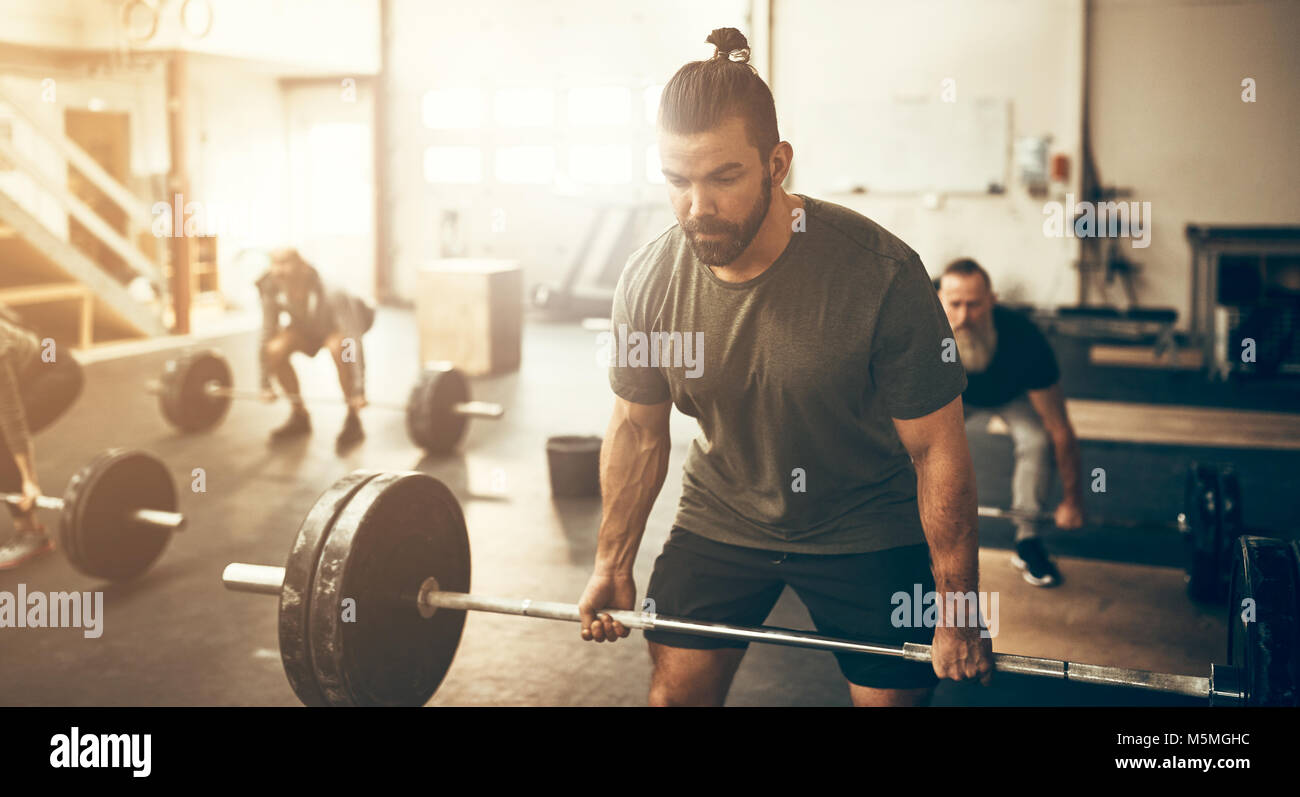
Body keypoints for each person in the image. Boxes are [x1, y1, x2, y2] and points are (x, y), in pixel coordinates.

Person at [577, 28, 993, 706]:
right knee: (674, 697)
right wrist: (611, 561)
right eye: (677, 181)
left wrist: (957, 606)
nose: (698, 207)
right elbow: (637, 430)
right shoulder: (650, 280)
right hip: (723, 511)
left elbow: (937, 449)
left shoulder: (881, 274)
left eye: (724, 178)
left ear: (777, 164)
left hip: (865, 523)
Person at [936, 258, 1085, 586]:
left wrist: (1073, 500)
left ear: (992, 300)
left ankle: (1028, 539)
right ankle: (914, 529)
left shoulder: (1024, 338)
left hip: (1012, 396)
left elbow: (1059, 428)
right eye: (955, 305)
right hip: (953, 396)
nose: (964, 317)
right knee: (912, 439)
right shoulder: (924, 333)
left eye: (974, 305)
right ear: (939, 299)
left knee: (1037, 440)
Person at [256, 248, 375, 452]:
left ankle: (353, 417)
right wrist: (264, 383)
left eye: (285, 264)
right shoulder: (272, 287)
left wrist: (359, 390)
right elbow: (267, 333)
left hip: (338, 326)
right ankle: (299, 415)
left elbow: (352, 339)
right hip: (307, 327)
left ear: (302, 267)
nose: (279, 271)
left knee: (340, 348)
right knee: (275, 349)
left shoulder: (332, 290)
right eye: (275, 264)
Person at [0, 305, 83, 568]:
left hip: (55, 369)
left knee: (2, 437)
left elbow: (12, 417)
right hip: (30, 360)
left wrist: (29, 480)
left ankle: (32, 534)